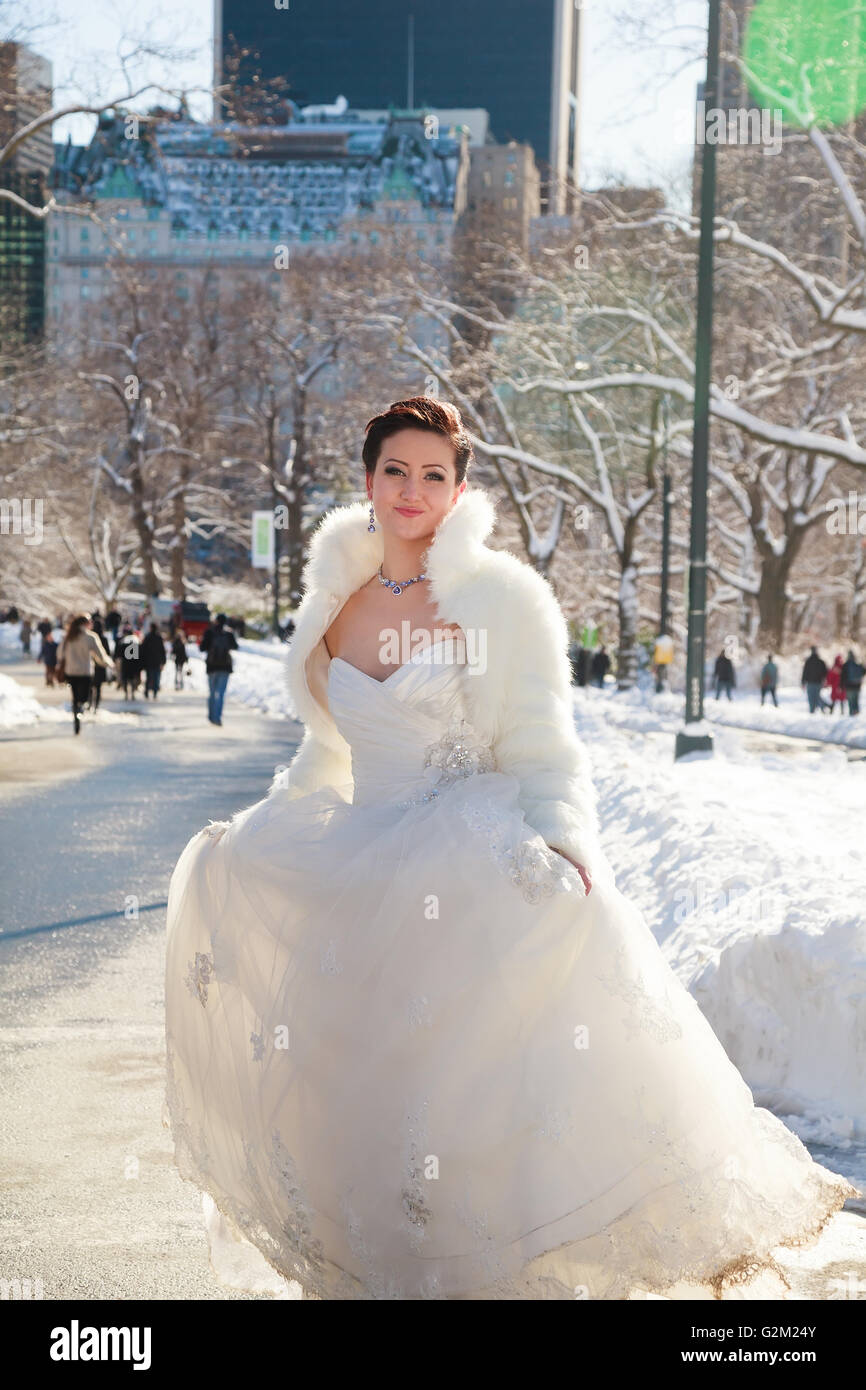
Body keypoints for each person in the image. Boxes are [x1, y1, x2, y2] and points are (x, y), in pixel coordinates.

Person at [164, 395, 858, 1302]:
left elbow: (541, 742)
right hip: (356, 881)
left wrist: (562, 839)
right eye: (395, 472)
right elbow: (331, 749)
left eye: (434, 475)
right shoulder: (333, 603)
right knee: (357, 1098)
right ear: (367, 480)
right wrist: (269, 832)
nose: (413, 491)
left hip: (467, 867)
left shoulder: (501, 601)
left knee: (467, 1101)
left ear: (460, 488)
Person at [56, 613, 115, 734]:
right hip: (85, 672)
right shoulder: (90, 637)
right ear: (85, 624)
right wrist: (109, 664)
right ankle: (79, 710)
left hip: (70, 671)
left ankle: (76, 714)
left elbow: (60, 654)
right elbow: (100, 655)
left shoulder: (69, 636)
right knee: (83, 697)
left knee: (75, 696)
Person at [199, 613, 238, 725]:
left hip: (212, 667)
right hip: (225, 667)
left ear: (216, 621)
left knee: (212, 693)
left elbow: (202, 647)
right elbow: (235, 646)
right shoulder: (229, 634)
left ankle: (211, 716)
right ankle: (218, 717)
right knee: (220, 693)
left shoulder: (209, 632)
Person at [115, 624, 142, 700]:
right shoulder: (136, 640)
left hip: (126, 663)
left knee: (125, 679)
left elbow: (119, 653)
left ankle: (126, 693)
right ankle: (133, 693)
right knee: (133, 678)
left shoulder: (123, 640)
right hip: (134, 663)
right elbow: (140, 653)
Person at [141, 621, 167, 699]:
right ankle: (155, 693)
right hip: (156, 661)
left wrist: (142, 660)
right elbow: (162, 650)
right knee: (156, 678)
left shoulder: (147, 637)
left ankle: (146, 692)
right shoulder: (159, 638)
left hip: (149, 661)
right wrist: (163, 661)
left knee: (149, 677)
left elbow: (143, 649)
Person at [801, 646, 829, 713]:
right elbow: (825, 672)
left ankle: (812, 711)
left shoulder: (808, 662)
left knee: (811, 697)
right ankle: (823, 707)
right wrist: (825, 681)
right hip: (818, 682)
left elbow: (805, 672)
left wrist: (803, 682)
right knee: (817, 696)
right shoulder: (821, 662)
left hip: (810, 683)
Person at [841, 649, 864, 716]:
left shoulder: (845, 665)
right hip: (857, 685)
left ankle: (851, 714)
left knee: (850, 701)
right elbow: (863, 672)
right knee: (856, 701)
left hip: (849, 686)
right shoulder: (857, 664)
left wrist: (841, 686)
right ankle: (856, 714)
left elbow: (842, 677)